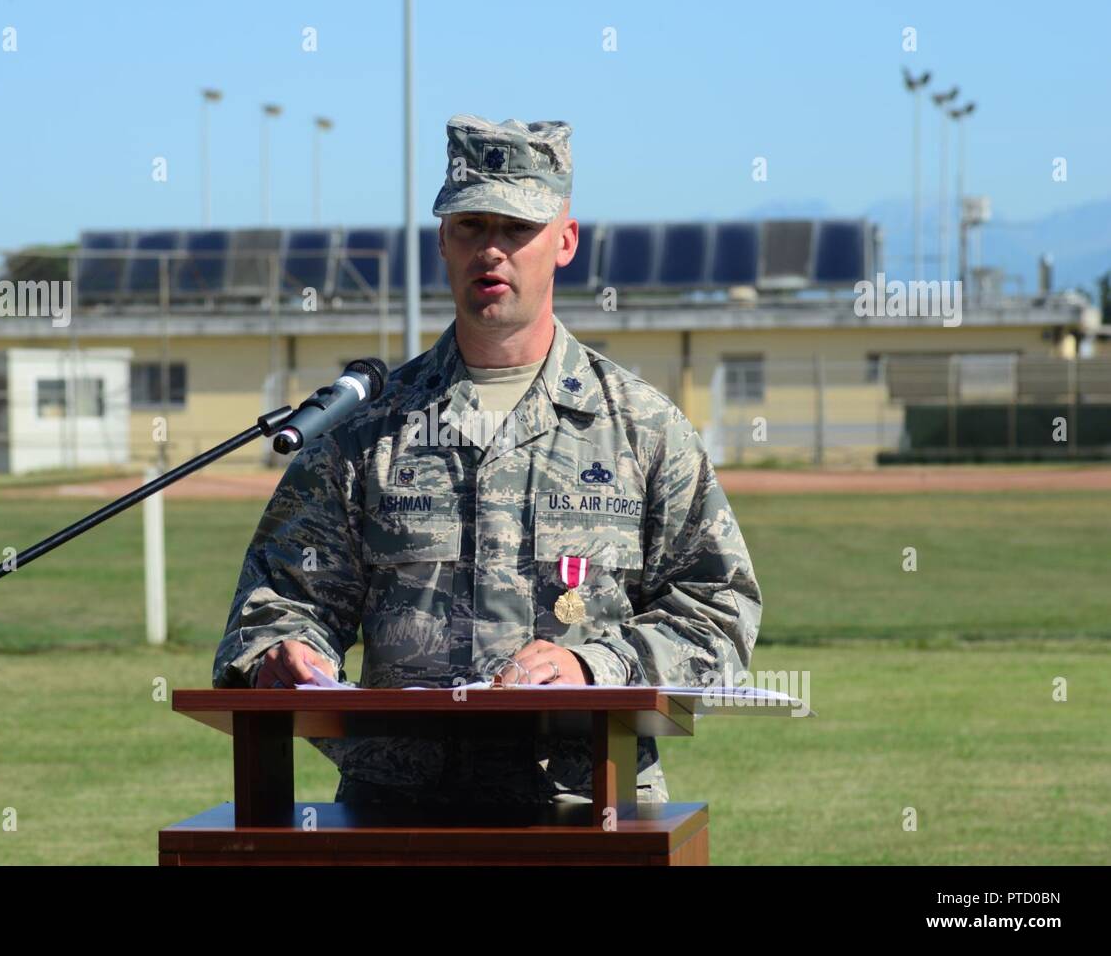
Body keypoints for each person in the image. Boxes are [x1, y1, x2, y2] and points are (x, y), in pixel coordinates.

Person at [213, 113, 762, 806]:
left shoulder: (643, 429)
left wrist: (594, 666)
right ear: (443, 240)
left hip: (587, 810)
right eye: (471, 226)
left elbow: (718, 610)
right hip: (399, 816)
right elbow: (282, 597)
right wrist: (279, 654)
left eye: (516, 228)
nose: (491, 251)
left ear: (564, 240)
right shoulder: (367, 433)